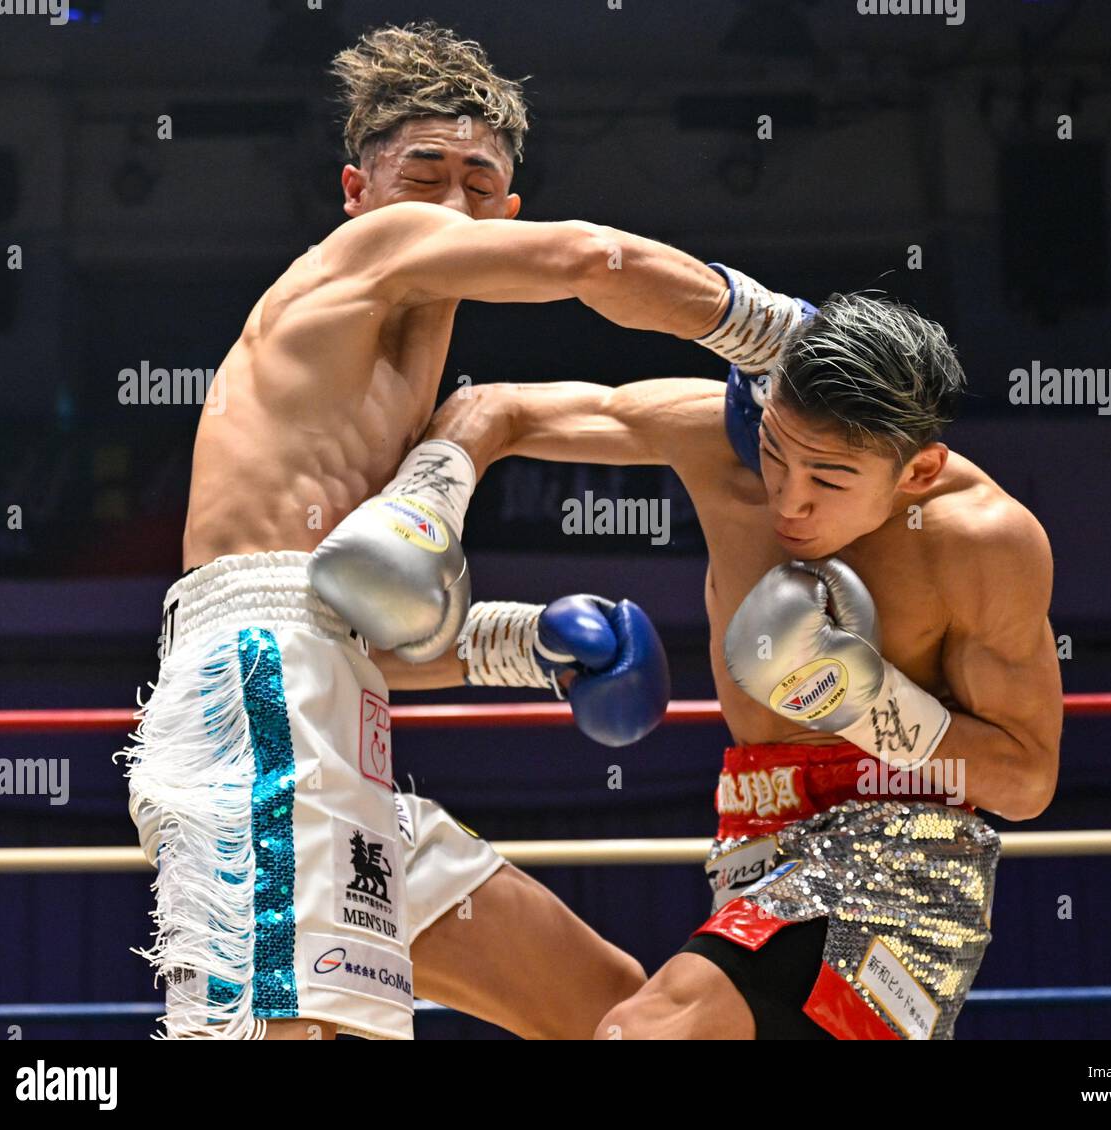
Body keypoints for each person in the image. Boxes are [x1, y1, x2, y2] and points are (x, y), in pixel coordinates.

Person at [116, 20, 802, 1040]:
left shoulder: (398, 406)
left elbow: (369, 620)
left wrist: (528, 644)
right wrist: (780, 334)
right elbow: (588, 257)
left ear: (504, 209)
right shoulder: (366, 251)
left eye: (478, 186)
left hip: (339, 712)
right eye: (422, 171)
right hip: (266, 691)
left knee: (609, 1005)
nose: (449, 203)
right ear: (357, 191)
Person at [417, 287, 1063, 1038]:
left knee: (647, 1029)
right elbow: (497, 409)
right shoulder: (715, 436)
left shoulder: (980, 539)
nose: (788, 499)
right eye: (775, 453)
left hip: (904, 855)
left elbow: (1026, 779)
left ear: (917, 473)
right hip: (749, 848)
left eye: (828, 479)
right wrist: (419, 502)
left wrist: (854, 701)